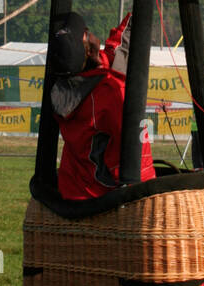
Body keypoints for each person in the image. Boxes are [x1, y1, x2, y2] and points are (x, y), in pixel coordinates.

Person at [51, 12, 154, 200]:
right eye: (86, 32)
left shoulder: (73, 86)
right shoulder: (110, 93)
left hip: (74, 190)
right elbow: (138, 152)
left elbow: (118, 47)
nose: (90, 32)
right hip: (102, 196)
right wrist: (146, 192)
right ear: (90, 51)